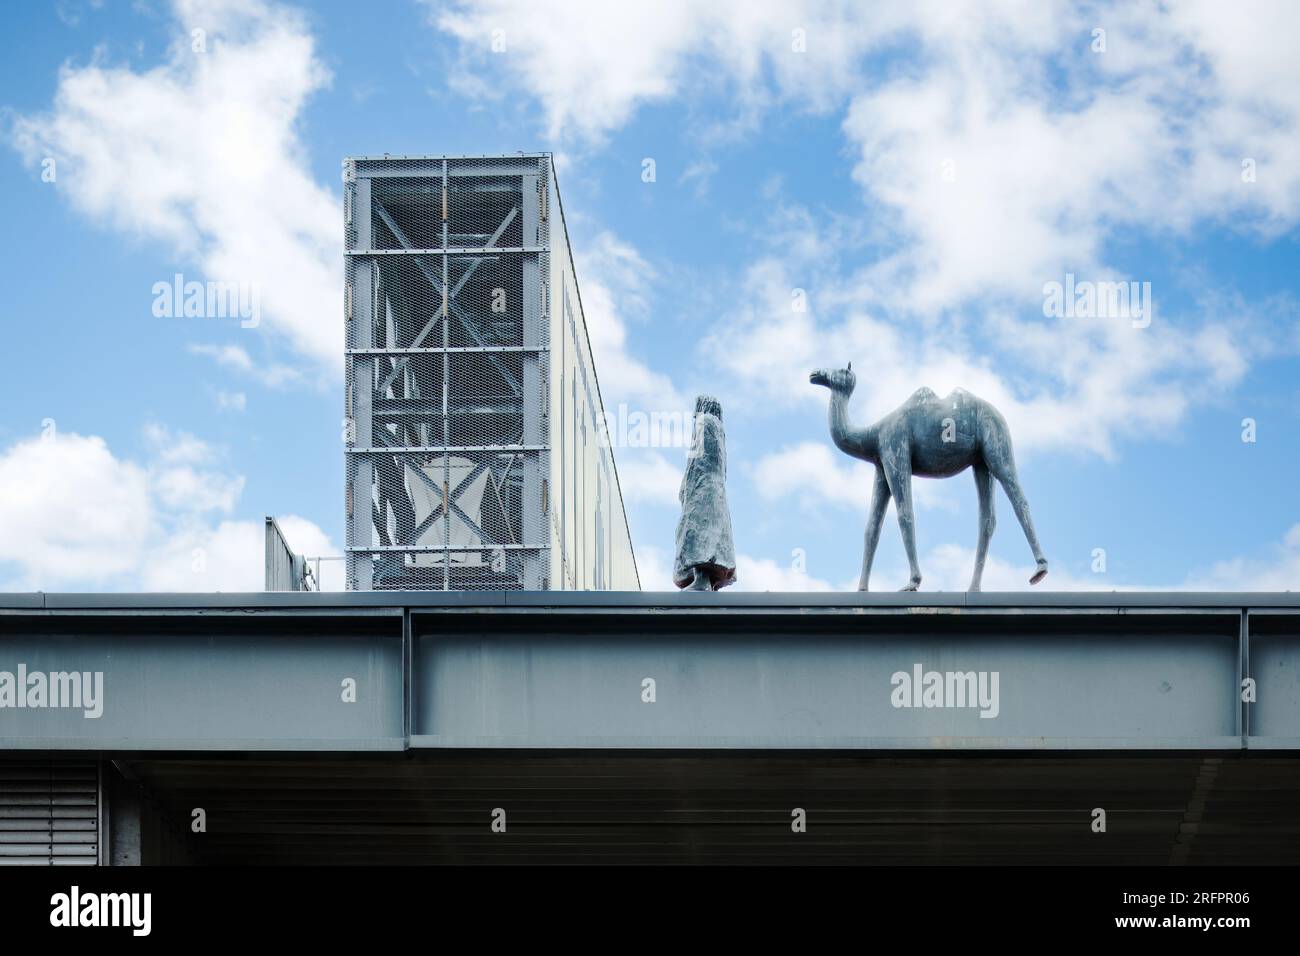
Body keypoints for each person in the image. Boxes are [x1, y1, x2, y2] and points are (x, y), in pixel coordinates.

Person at [672, 395, 737, 591]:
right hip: (708, 491)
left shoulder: (706, 422)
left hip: (704, 492)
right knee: (702, 536)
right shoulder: (716, 428)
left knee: (698, 537)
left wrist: (688, 489)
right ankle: (704, 580)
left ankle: (702, 579)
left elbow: (700, 461)